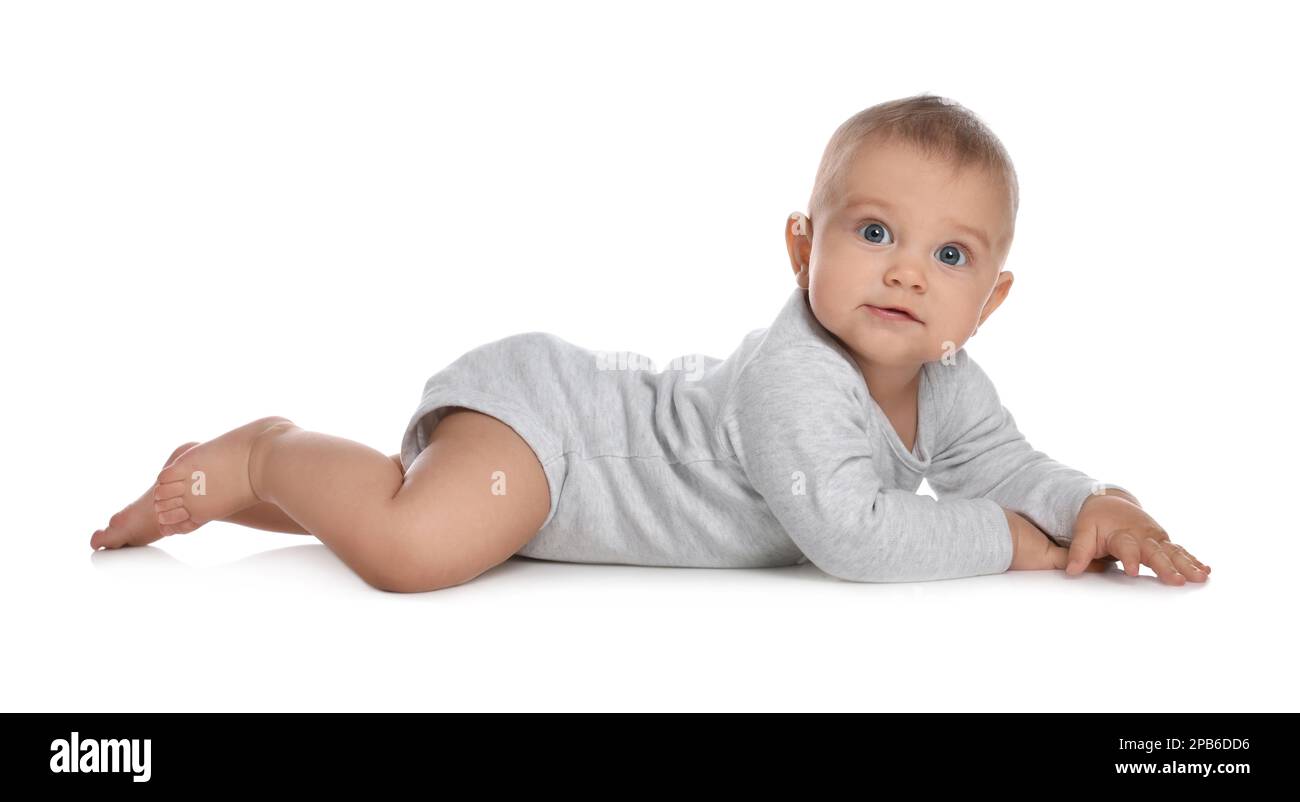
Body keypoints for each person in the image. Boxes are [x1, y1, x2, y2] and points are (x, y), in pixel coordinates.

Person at [89, 94, 1210, 592]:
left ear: (991, 300)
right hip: (563, 434)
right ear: (798, 245)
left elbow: (1009, 467)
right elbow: (856, 540)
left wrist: (1091, 502)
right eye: (873, 232)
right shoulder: (794, 376)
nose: (909, 269)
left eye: (950, 256)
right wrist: (1018, 544)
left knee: (409, 515)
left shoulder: (950, 385)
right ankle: (255, 453)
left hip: (556, 471)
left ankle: (262, 501)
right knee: (414, 549)